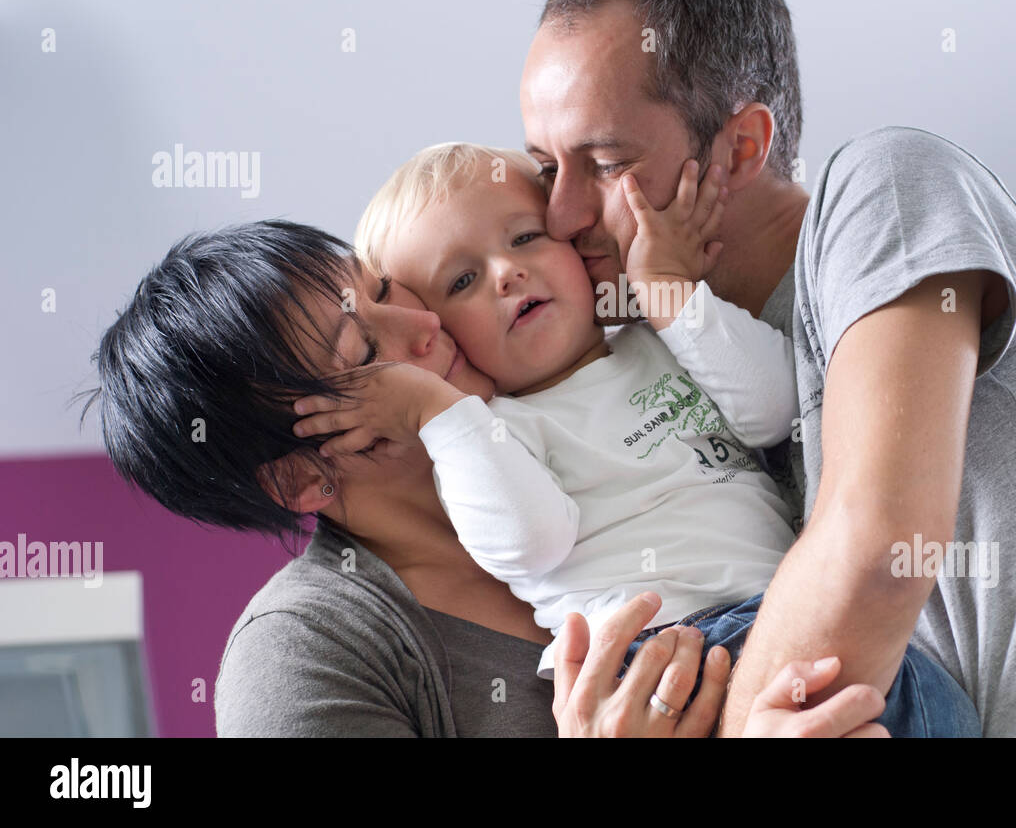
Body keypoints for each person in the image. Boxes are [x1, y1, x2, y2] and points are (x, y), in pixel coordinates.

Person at [518, 0, 1016, 736]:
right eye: (546, 169)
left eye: (605, 162)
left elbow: (876, 546)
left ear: (742, 147)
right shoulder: (673, 375)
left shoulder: (888, 186)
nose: (561, 215)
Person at [87, 219, 889, 737]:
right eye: (364, 351)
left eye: (379, 289)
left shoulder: (609, 407)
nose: (426, 322)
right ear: (303, 477)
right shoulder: (305, 655)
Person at [293, 141, 980, 735]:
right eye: (464, 280)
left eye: (526, 237)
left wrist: (669, 292)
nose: (508, 273)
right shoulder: (483, 436)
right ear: (439, 333)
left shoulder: (656, 339)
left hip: (799, 613)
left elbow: (780, 410)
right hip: (666, 662)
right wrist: (440, 411)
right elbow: (533, 542)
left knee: (942, 709)